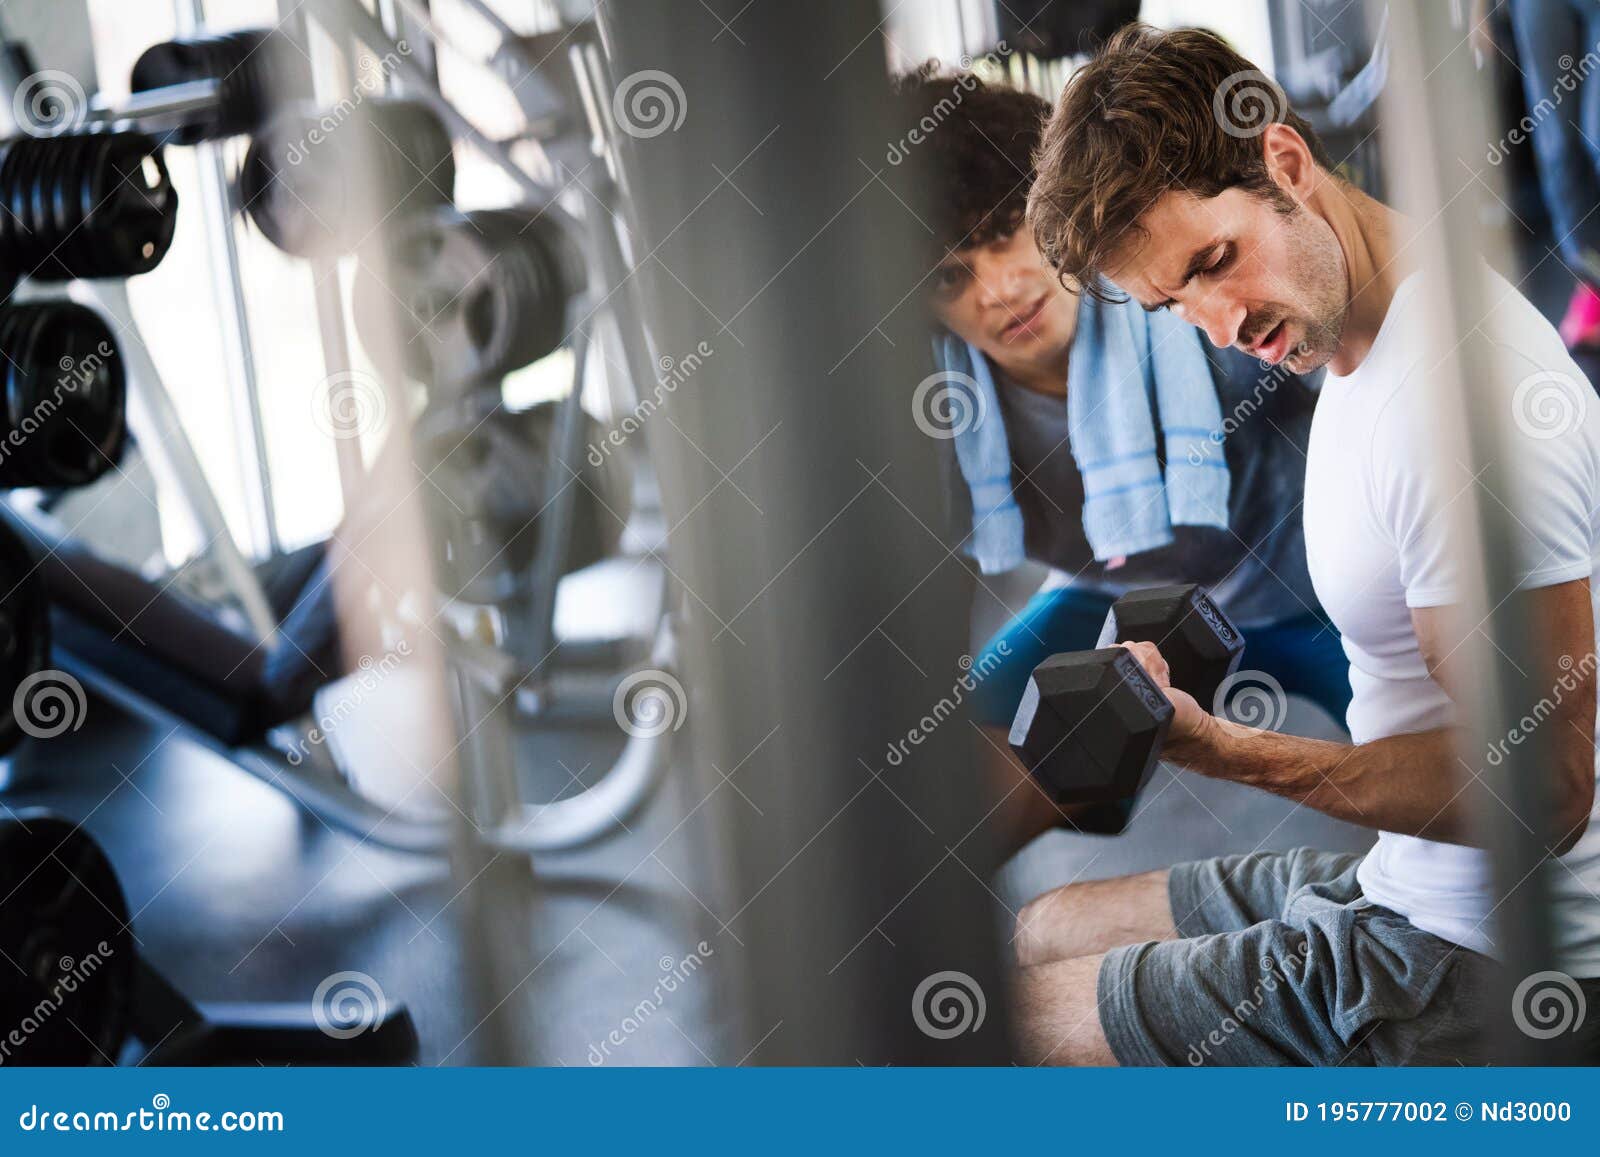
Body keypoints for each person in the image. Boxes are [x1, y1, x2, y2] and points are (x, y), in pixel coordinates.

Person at [1011, 22, 1600, 1065]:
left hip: (1475, 964)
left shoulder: (1456, 403)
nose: (1220, 320)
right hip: (1400, 878)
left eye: (1215, 261)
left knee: (991, 1027)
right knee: (1037, 928)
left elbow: (1544, 791)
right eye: (1173, 301)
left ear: (1285, 162)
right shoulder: (1366, 330)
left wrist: (1228, 751)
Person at [890, 69, 1350, 847]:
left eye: (1006, 229)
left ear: (1054, 211)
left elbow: (1364, 368)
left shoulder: (1195, 308)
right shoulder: (939, 412)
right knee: (942, 781)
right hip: (1112, 597)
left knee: (1457, 776)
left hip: (1303, 597)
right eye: (948, 276)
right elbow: (933, 606)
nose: (998, 290)